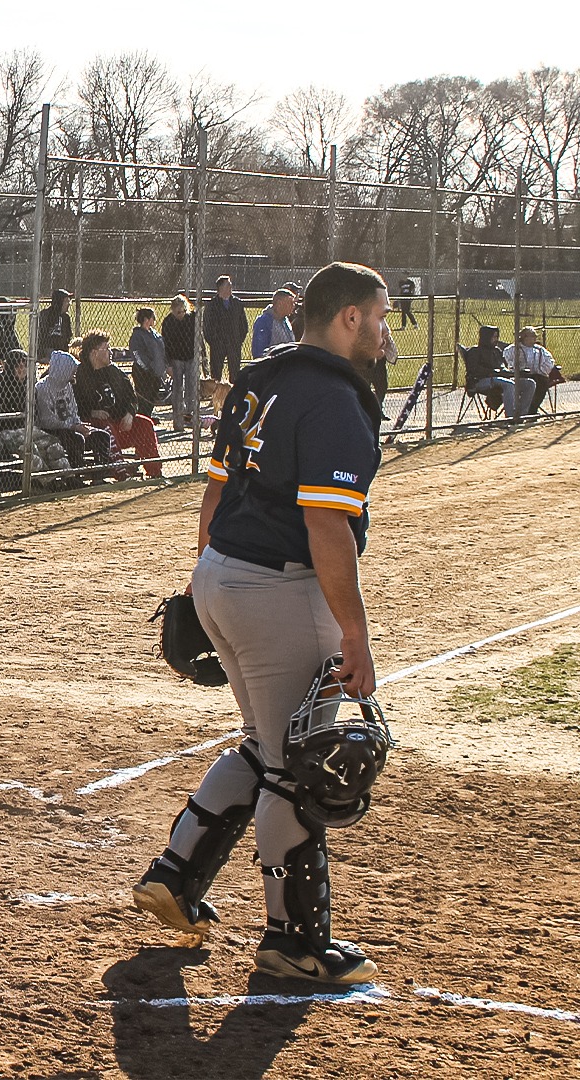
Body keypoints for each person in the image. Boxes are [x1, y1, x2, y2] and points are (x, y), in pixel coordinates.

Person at [131, 261, 391, 985]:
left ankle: (176, 876)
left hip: (224, 572)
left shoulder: (260, 376)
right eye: (378, 316)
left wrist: (206, 586)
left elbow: (214, 496)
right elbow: (326, 527)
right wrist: (356, 633)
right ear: (347, 317)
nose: (384, 332)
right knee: (297, 767)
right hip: (279, 586)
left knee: (264, 742)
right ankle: (295, 942)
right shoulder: (335, 398)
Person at [73, 331, 163, 478]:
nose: (111, 352)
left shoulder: (115, 372)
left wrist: (129, 414)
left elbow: (132, 398)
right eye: (106, 348)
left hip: (120, 425)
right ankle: (121, 472)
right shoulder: (80, 375)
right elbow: (74, 405)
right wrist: (92, 412)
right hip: (94, 429)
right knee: (105, 425)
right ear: (94, 353)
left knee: (145, 424)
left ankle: (155, 472)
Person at [35, 348, 114, 482]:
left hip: (71, 427)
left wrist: (79, 424)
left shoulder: (67, 385)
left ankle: (98, 477)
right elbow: (47, 420)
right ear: (63, 369)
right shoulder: (42, 388)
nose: (74, 373)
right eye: (72, 370)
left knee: (102, 436)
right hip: (53, 430)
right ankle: (76, 477)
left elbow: (73, 410)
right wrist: (73, 427)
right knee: (77, 438)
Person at [464, 324, 529, 420]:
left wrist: (511, 372)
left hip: (499, 379)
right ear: (486, 337)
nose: (496, 339)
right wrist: (493, 372)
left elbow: (502, 366)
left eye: (497, 337)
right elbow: (473, 369)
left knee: (529, 383)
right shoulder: (475, 351)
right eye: (493, 337)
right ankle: (511, 417)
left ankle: (522, 415)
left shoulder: (496, 351)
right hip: (480, 381)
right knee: (509, 384)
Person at [504, 325, 564, 414]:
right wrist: (519, 369)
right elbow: (508, 362)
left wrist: (540, 370)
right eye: (532, 336)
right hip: (519, 376)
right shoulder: (513, 349)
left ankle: (532, 410)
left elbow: (550, 361)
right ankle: (524, 411)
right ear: (524, 337)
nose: (535, 338)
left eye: (535, 336)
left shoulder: (539, 349)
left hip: (537, 375)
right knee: (531, 382)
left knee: (543, 381)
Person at [162, 294, 200, 431]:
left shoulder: (193, 318)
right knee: (178, 390)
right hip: (176, 359)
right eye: (178, 312)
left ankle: (190, 419)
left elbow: (199, 339)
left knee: (192, 389)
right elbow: (165, 345)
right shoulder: (168, 322)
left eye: (183, 311)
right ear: (173, 311)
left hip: (191, 358)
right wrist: (168, 365)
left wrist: (201, 358)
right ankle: (178, 422)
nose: (181, 314)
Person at [201, 276, 248, 382]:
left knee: (235, 374)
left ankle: (233, 392)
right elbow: (206, 326)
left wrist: (238, 340)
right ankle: (216, 392)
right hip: (218, 345)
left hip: (234, 344)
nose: (230, 287)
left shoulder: (237, 303)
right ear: (221, 288)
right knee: (216, 374)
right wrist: (214, 341)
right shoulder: (212, 305)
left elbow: (243, 325)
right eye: (228, 285)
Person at [127, 306, 171, 418]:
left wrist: (164, 366)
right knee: (144, 396)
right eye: (152, 317)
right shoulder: (138, 335)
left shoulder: (154, 334)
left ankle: (148, 416)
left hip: (156, 372)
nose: (154, 320)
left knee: (152, 396)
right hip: (143, 372)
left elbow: (162, 351)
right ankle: (142, 417)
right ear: (146, 319)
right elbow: (136, 353)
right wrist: (146, 367)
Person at [251, 289, 297, 358]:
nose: (293, 306)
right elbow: (258, 352)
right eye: (290, 303)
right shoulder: (265, 321)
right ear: (279, 303)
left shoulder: (285, 321)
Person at [35, 288, 73, 358]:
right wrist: (42, 356)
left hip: (61, 351)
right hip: (47, 350)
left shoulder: (66, 318)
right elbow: (40, 337)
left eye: (69, 301)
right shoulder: (45, 315)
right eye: (66, 301)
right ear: (58, 302)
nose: (68, 304)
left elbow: (68, 337)